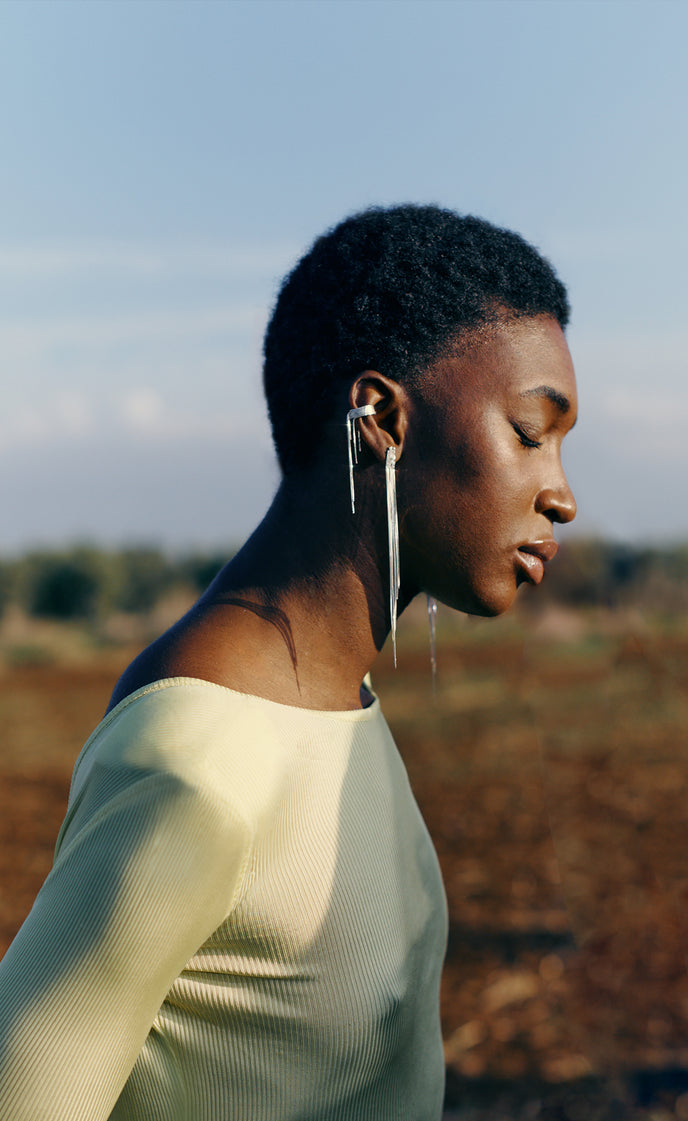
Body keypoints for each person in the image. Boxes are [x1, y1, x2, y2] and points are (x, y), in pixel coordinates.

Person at [0, 204, 577, 1120]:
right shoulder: (197, 760)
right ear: (382, 417)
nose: (562, 493)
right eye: (530, 431)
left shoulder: (335, 699)